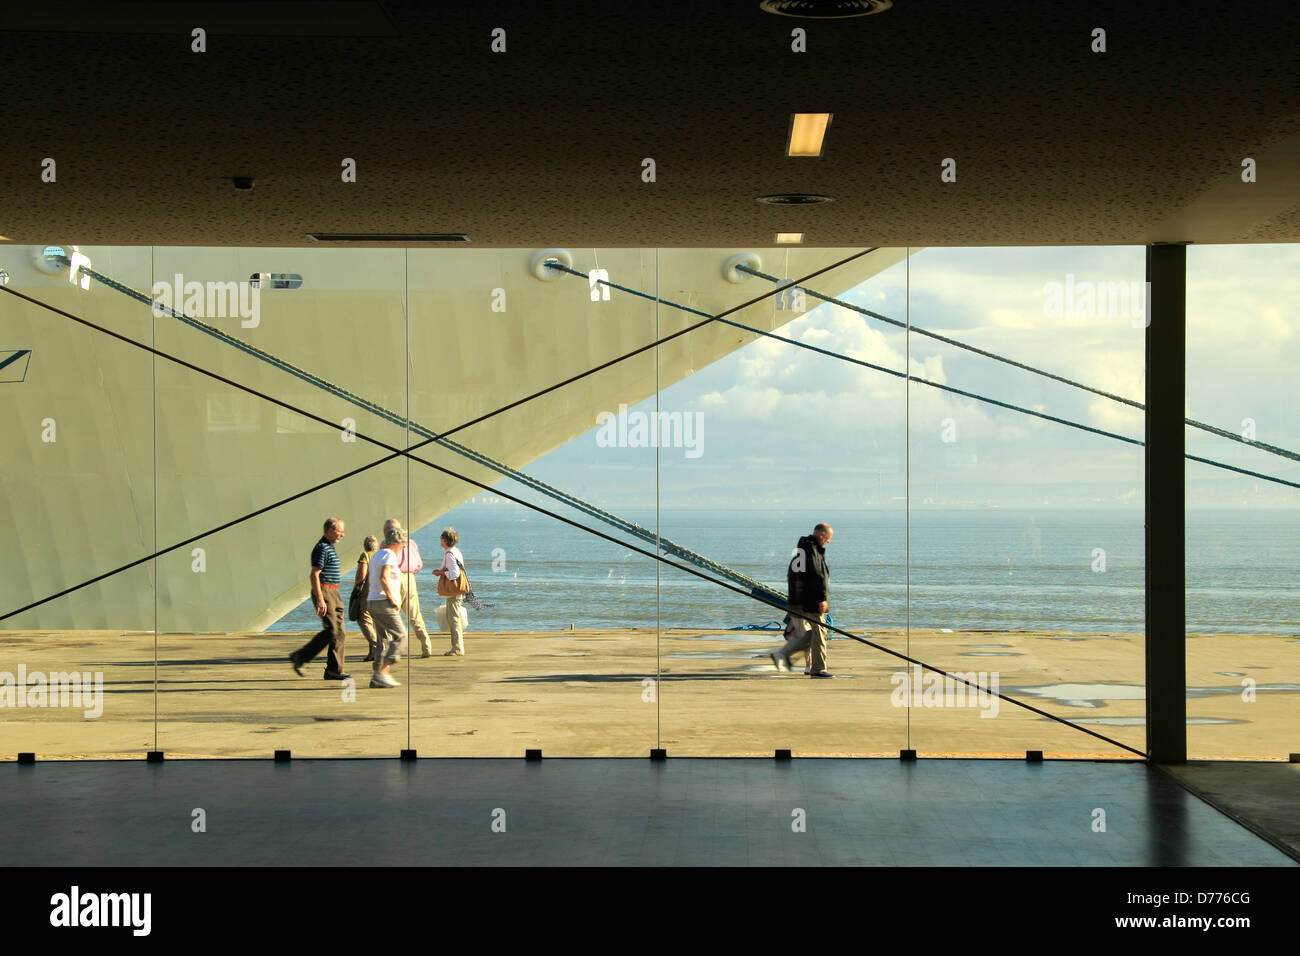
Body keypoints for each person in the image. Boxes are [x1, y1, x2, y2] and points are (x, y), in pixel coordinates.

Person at [771, 522, 834, 678]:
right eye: (828, 538)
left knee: (807, 635)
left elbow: (793, 575)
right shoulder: (812, 550)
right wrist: (822, 599)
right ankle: (818, 669)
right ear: (822, 535)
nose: (829, 542)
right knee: (819, 633)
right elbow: (817, 575)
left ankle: (783, 654)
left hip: (797, 600)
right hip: (810, 601)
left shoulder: (800, 550)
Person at [290, 517, 350, 680]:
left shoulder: (329, 547)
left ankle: (334, 670)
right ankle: (300, 657)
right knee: (331, 630)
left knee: (341, 633)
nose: (342, 535)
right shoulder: (321, 548)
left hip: (334, 592)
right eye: (340, 531)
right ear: (330, 531)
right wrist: (320, 599)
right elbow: (314, 574)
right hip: (325, 591)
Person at [367, 525, 408, 688]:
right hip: (383, 602)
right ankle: (382, 672)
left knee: (383, 639)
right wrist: (393, 599)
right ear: (397, 543)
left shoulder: (377, 554)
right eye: (403, 545)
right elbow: (384, 578)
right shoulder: (390, 555)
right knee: (401, 636)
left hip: (372, 600)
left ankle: (377, 678)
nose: (402, 548)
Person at [433, 527, 467, 656]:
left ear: (445, 540)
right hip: (457, 591)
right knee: (453, 617)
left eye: (441, 538)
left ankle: (457, 648)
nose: (440, 541)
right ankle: (456, 647)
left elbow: (454, 573)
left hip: (454, 591)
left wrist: (440, 572)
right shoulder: (455, 551)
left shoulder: (449, 554)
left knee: (453, 618)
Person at [353, 535, 379, 662]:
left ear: (365, 546)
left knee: (363, 619)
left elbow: (361, 575)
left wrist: (356, 586)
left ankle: (375, 646)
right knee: (373, 622)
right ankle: (372, 653)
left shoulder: (365, 556)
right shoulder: (380, 555)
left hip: (366, 593)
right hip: (379, 592)